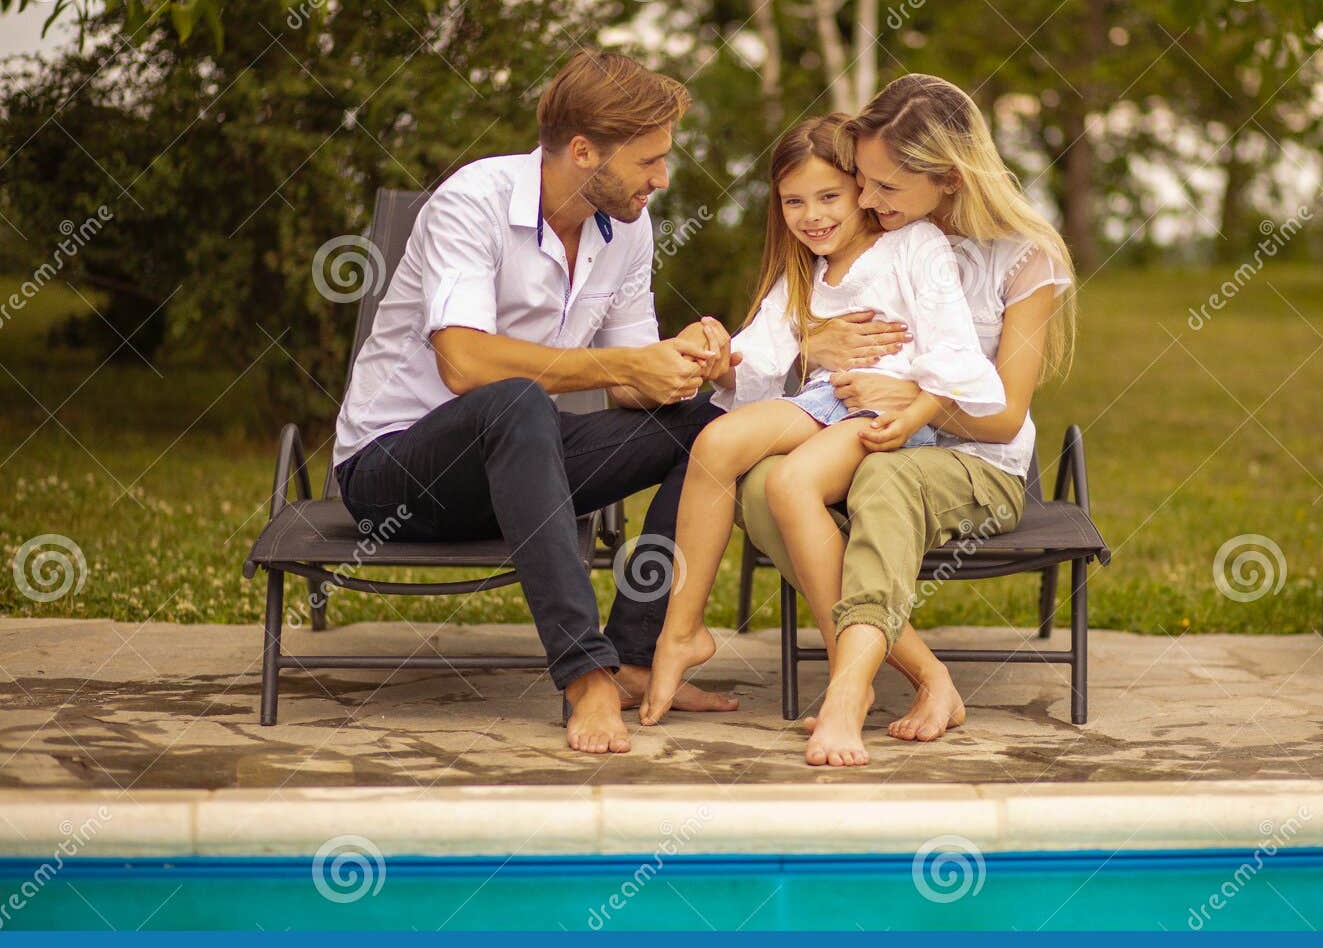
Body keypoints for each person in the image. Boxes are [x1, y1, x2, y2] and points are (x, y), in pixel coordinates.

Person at [330, 50, 741, 756]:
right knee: (514, 400)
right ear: (584, 152)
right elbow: (463, 361)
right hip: (396, 470)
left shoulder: (628, 229)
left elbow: (626, 383)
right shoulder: (472, 201)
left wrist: (689, 357)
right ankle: (586, 676)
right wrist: (620, 363)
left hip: (528, 463)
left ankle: (636, 657)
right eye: (648, 161)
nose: (662, 179)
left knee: (708, 428)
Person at [737, 74, 1076, 766]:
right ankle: (928, 675)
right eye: (861, 180)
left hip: (978, 461)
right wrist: (817, 345)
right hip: (867, 437)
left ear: (949, 178)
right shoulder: (879, 241)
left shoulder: (1023, 261)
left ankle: (845, 692)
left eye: (885, 188)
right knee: (761, 483)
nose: (864, 199)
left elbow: (1006, 416)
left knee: (885, 484)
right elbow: (813, 348)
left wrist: (916, 400)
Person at [639, 114, 1008, 726]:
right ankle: (682, 633)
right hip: (823, 403)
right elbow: (753, 354)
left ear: (860, 189)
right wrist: (713, 353)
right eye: (793, 201)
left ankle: (849, 674)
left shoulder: (914, 246)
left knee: (791, 482)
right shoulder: (805, 272)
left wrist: (912, 393)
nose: (812, 215)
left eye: (830, 196)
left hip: (893, 411)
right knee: (714, 443)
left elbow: (954, 349)